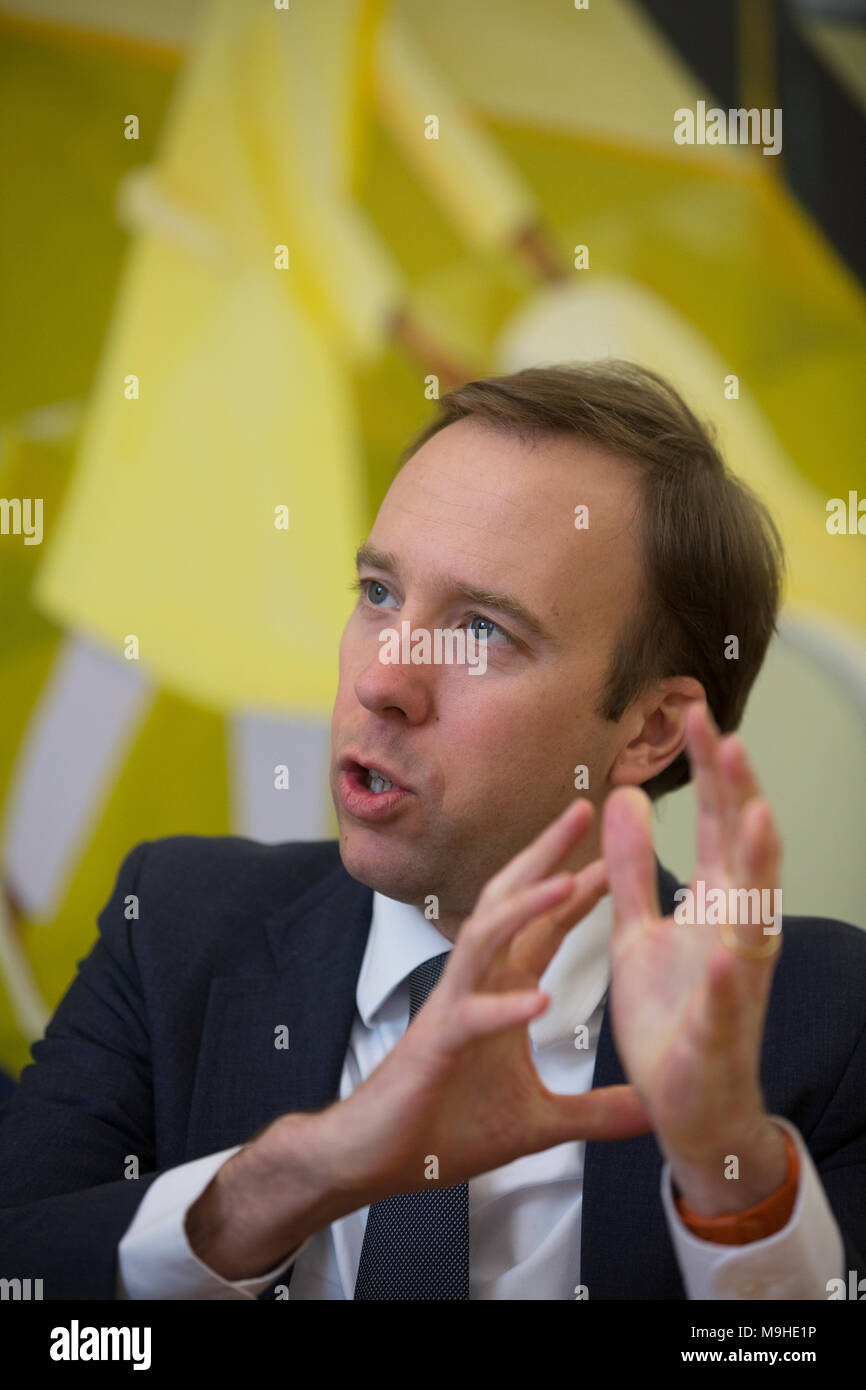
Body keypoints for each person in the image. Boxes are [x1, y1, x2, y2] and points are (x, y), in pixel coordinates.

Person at [1, 360, 863, 1301]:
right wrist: (292, 1177)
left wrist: (727, 1178)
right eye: (378, 594)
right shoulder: (172, 925)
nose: (383, 680)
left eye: (481, 631)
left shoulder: (830, 1026)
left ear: (650, 729)